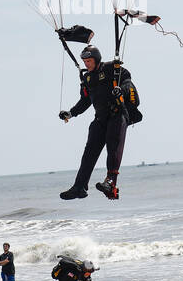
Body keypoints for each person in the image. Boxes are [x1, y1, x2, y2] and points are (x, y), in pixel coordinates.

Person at [58, 45, 137, 200]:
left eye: (89, 61)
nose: (86, 64)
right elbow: (85, 100)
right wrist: (71, 113)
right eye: (85, 61)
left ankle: (110, 183)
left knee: (113, 149)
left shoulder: (112, 69)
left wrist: (121, 90)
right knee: (88, 154)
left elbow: (128, 83)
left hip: (117, 115)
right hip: (100, 120)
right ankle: (79, 187)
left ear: (96, 59)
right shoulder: (87, 78)